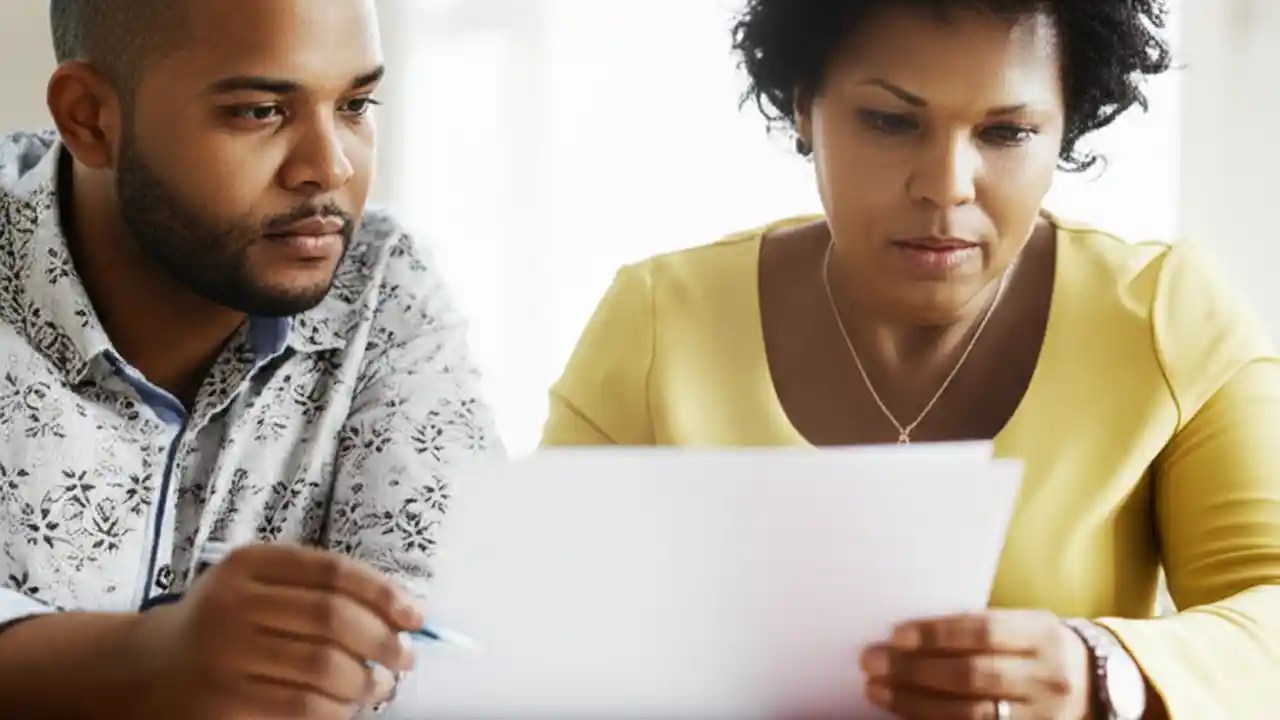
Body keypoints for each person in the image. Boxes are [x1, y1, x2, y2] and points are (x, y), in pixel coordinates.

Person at [543, 1, 1280, 718]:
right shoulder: (657, 322)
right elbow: (547, 620)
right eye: (891, 122)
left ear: (1065, 127)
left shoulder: (1165, 316)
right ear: (804, 106)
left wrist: (1098, 670)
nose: (946, 185)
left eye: (1009, 132)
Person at [0, 0, 498, 717]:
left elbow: (441, 650)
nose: (328, 166)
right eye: (261, 111)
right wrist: (148, 662)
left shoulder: (382, 286)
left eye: (355, 104)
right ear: (90, 119)